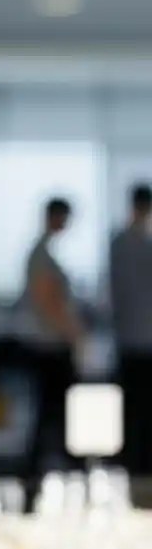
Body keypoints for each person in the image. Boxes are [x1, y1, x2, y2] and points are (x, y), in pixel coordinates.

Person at [23, 197, 83, 474]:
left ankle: (49, 465)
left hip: (51, 343)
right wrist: (75, 334)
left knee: (54, 411)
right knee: (53, 411)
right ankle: (43, 467)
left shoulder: (43, 253)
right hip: (50, 345)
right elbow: (49, 303)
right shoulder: (41, 256)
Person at [110, 183, 152, 475]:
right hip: (144, 340)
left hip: (127, 338)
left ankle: (132, 464)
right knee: (144, 409)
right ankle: (142, 465)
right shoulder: (144, 247)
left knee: (131, 409)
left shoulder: (118, 243)